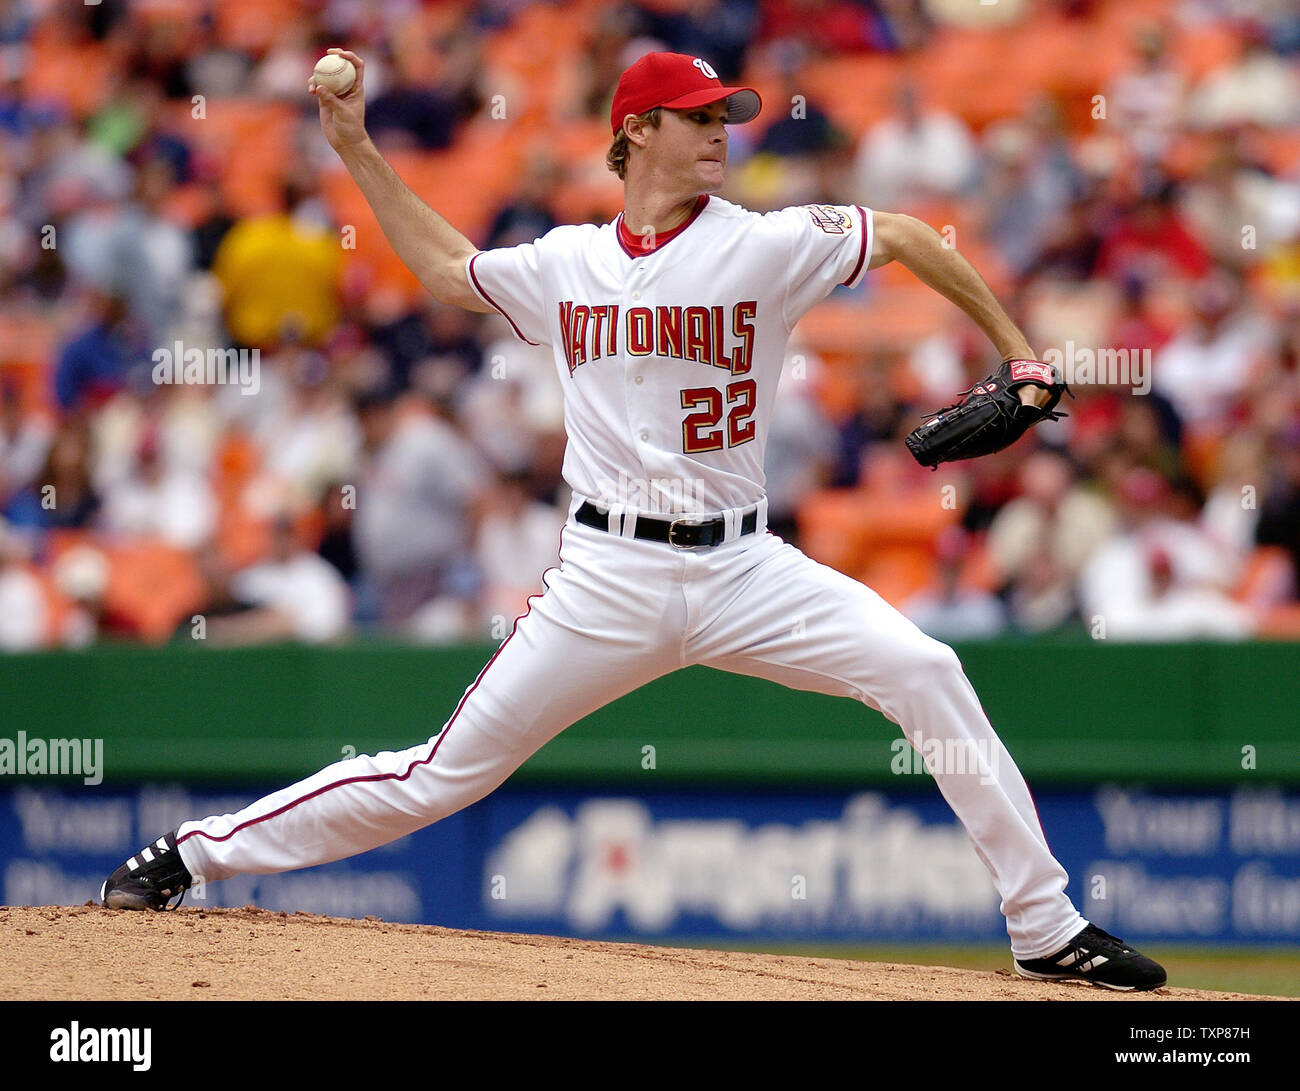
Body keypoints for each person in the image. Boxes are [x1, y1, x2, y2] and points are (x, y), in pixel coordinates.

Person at [101, 49, 1166, 991]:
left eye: (723, 118)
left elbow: (902, 236)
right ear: (635, 132)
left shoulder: (764, 243)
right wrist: (355, 145)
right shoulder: (567, 263)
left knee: (926, 668)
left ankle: (1045, 926)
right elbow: (440, 269)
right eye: (699, 117)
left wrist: (1019, 352)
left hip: (748, 567)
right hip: (605, 574)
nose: (719, 133)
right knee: (439, 773)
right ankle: (193, 854)